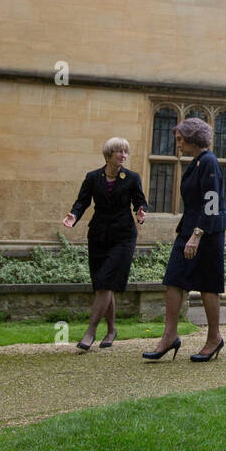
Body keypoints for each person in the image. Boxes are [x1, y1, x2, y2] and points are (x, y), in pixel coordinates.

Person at [144, 117, 226, 362]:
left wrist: (197, 235)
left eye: (180, 139)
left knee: (208, 284)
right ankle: (169, 337)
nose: (177, 144)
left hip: (207, 232)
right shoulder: (196, 163)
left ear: (193, 138)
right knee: (173, 279)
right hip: (189, 229)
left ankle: (214, 338)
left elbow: (212, 203)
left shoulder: (209, 162)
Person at [62, 137, 147, 351]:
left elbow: (140, 200)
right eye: (119, 151)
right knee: (102, 283)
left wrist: (141, 211)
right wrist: (74, 215)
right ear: (109, 154)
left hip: (123, 236)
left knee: (105, 282)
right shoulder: (92, 178)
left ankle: (90, 331)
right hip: (99, 235)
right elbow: (82, 201)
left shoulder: (132, 178)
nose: (123, 155)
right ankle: (111, 330)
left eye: (125, 152)